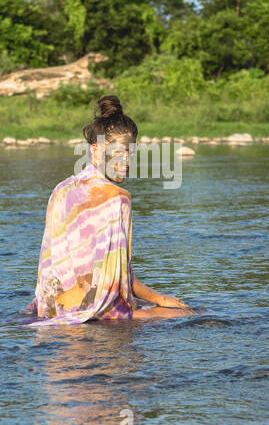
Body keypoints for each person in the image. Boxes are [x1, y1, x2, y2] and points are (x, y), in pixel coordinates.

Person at [28, 95, 191, 324]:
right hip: (95, 311)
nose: (126, 161)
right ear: (96, 150)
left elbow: (51, 270)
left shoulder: (60, 189)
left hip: (51, 307)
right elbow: (119, 275)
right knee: (188, 314)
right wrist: (160, 298)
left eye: (130, 153)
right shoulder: (116, 197)